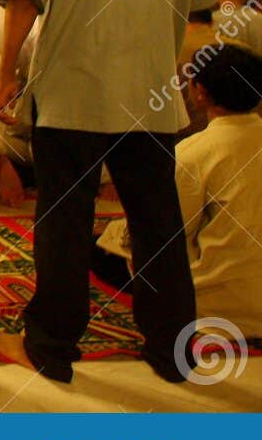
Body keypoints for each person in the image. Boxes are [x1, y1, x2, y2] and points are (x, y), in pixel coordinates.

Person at [0, 0, 212, 384]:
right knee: (158, 222)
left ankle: (53, 346)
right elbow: (196, 11)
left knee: (64, 220)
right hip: (150, 94)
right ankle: (172, 352)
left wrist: (8, 74)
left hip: (71, 93)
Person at [94, 44, 262, 338]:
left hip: (221, 304)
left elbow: (165, 236)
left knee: (95, 251)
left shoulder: (195, 153)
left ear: (200, 91)